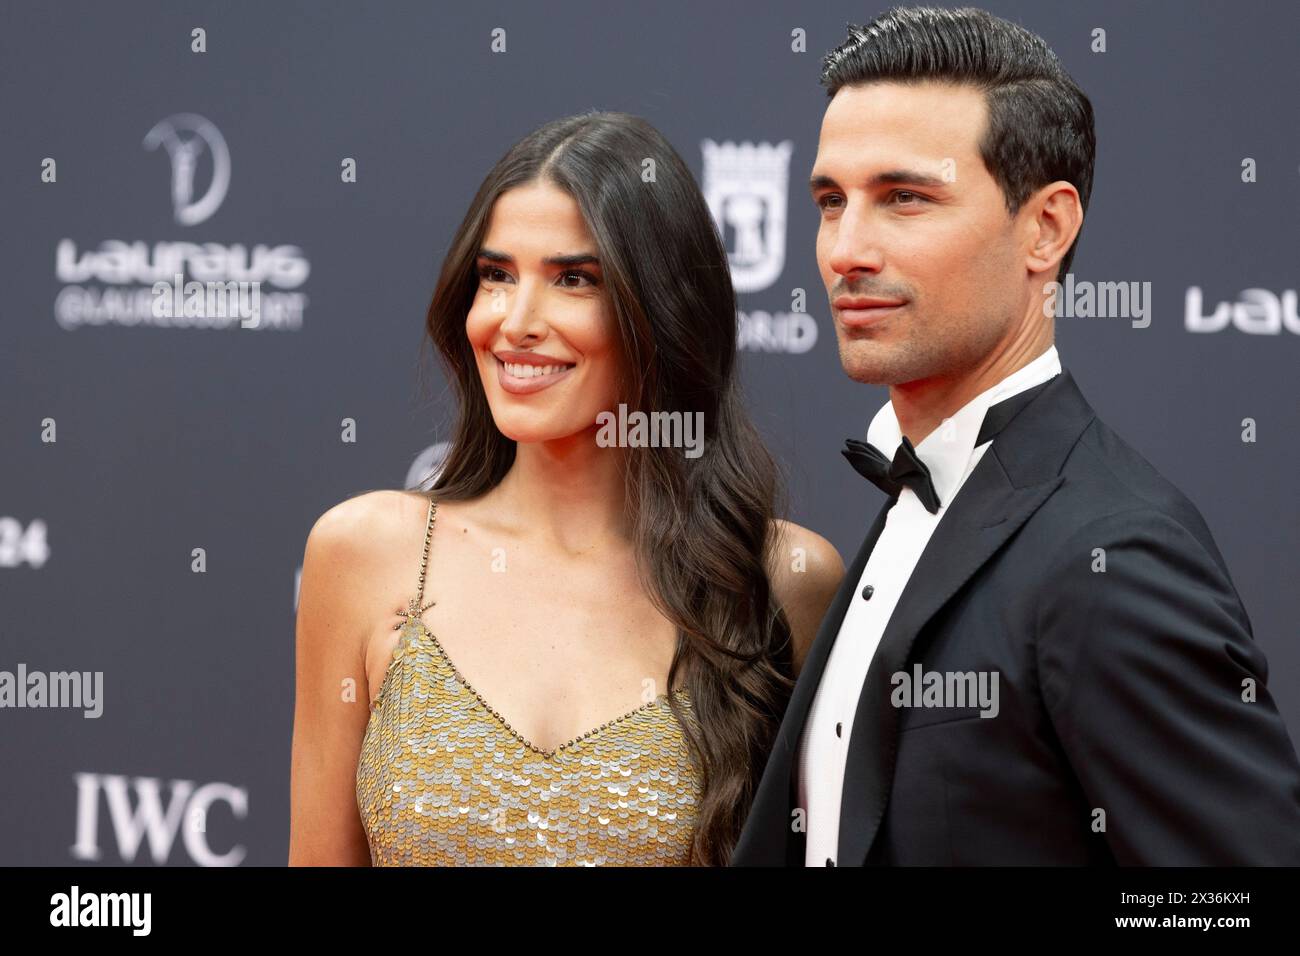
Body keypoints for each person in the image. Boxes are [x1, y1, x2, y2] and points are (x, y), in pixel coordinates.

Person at [732, 6, 1300, 866]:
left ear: (1047, 228)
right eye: (830, 202)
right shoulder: (918, 500)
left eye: (905, 198)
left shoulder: (1112, 552)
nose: (845, 248)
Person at [288, 110, 844, 866]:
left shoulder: (781, 579)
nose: (515, 322)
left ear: (662, 312)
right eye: (496, 276)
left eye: (573, 279)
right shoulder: (367, 552)